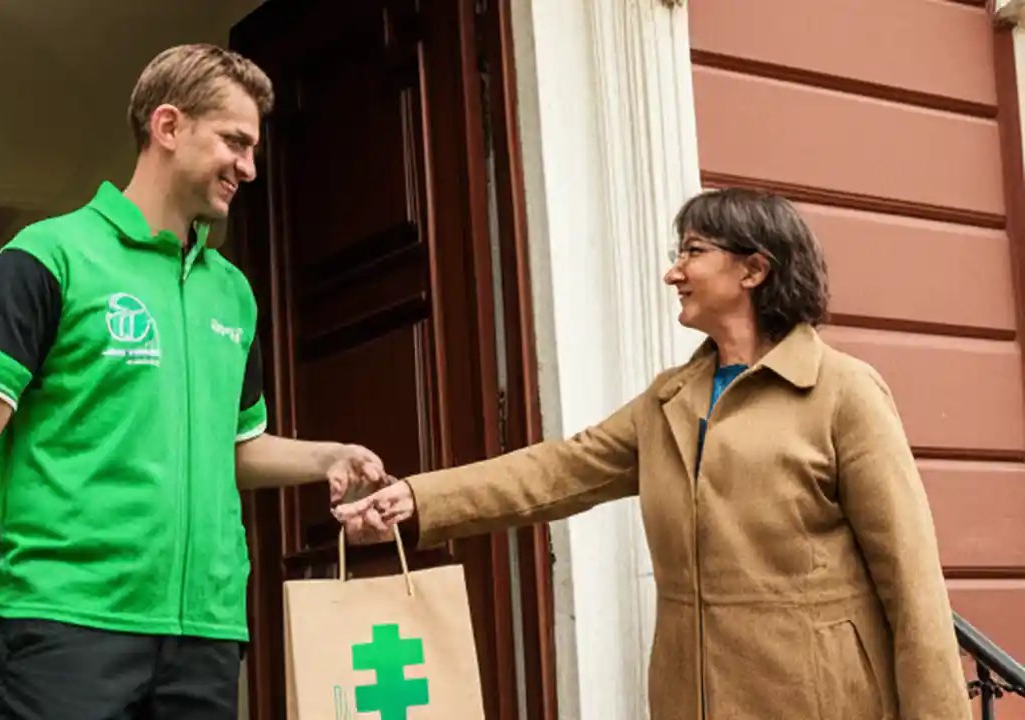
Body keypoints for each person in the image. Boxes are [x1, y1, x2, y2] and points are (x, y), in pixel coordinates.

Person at [0, 44, 390, 719]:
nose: (249, 168)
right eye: (234, 141)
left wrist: (327, 458)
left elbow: (236, 447)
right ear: (168, 127)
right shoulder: (48, 256)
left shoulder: (234, 295)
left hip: (207, 635)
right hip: (67, 626)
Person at [336, 188, 971, 719]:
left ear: (754, 269)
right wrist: (417, 498)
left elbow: (911, 580)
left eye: (693, 252)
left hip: (821, 700)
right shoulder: (669, 401)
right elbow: (556, 470)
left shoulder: (843, 392)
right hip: (688, 699)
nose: (674, 271)